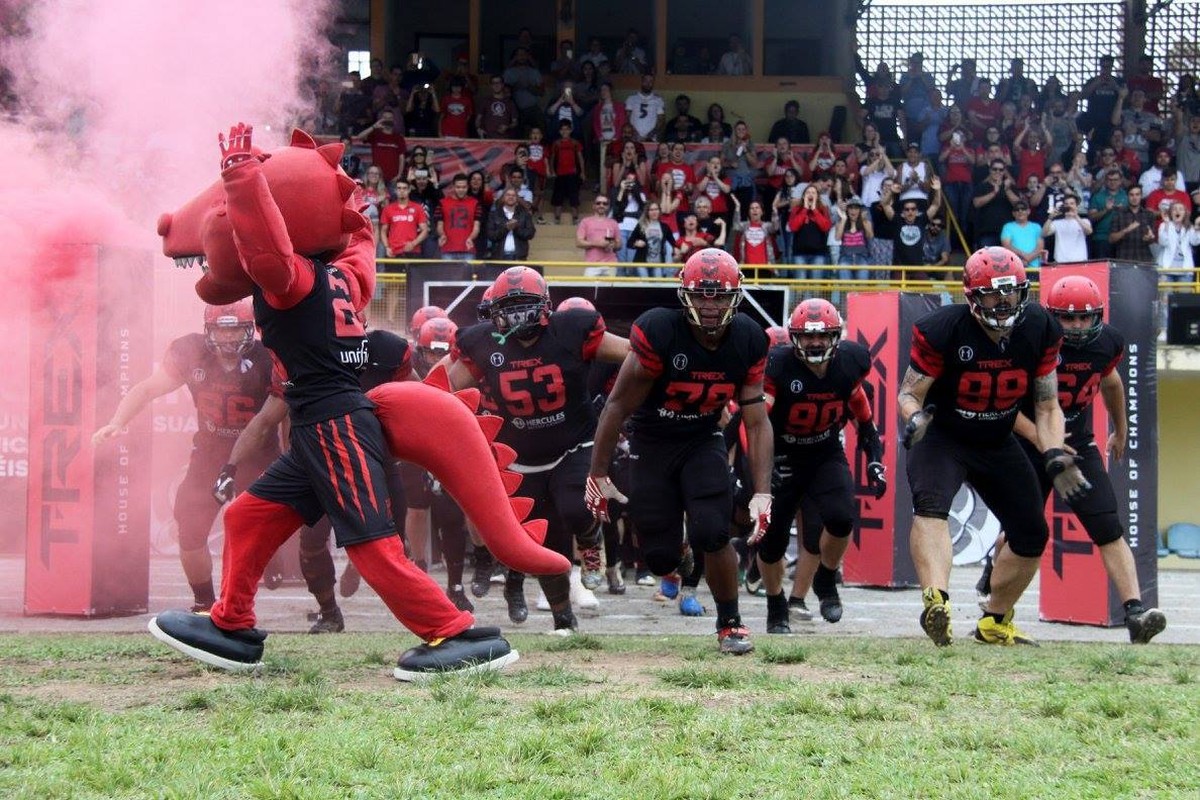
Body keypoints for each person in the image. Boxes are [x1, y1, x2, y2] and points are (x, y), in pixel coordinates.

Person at [149, 123, 521, 680]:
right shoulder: (341, 276)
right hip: (316, 422)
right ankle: (232, 624)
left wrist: (244, 177)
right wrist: (348, 206)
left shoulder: (294, 279)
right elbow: (361, 244)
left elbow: (269, 250)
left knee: (371, 545)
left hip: (333, 423)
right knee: (250, 516)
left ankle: (457, 634)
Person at [897, 246, 1089, 647]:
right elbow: (908, 394)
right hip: (944, 436)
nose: (1003, 302)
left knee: (1032, 533)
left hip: (997, 437)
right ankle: (937, 601)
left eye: (1011, 292)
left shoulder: (1039, 326)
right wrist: (914, 418)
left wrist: (1052, 452)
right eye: (992, 293)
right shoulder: (943, 328)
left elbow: (1047, 403)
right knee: (931, 507)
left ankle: (995, 622)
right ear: (971, 295)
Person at [586, 249, 773, 654]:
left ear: (735, 296)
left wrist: (763, 490)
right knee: (657, 558)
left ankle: (730, 623)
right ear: (684, 293)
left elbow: (756, 420)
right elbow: (617, 405)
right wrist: (597, 473)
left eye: (719, 295)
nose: (710, 305)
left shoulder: (748, 338)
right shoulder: (659, 331)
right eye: (702, 295)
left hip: (702, 438)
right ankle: (679, 553)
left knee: (714, 530)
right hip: (652, 442)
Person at [976, 276, 1167, 644]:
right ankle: (995, 598)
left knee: (1108, 525)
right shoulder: (1029, 337)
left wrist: (1120, 429)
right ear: (1051, 316)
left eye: (1085, 318)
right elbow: (1003, 401)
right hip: (1028, 443)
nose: (1078, 327)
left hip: (1078, 442)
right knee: (1021, 530)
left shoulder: (1108, 341)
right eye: (1068, 319)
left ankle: (1135, 614)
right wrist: (1044, 440)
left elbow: (1110, 382)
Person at [449, 267, 630, 633]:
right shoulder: (483, 343)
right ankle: (563, 616)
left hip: (574, 441)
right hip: (522, 456)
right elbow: (442, 389)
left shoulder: (569, 330)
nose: (517, 316)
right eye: (509, 306)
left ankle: (591, 541)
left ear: (546, 307)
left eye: (525, 305)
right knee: (544, 543)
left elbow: (634, 355)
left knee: (575, 505)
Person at [92, 301, 279, 613]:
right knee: (189, 527)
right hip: (209, 455)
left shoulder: (268, 358)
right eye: (223, 329)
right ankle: (204, 603)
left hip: (257, 455)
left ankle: (244, 595)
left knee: (254, 532)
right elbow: (147, 389)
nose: (230, 338)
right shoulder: (191, 353)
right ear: (209, 331)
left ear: (251, 330)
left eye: (236, 329)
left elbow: (276, 417)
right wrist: (117, 421)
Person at [757, 299, 886, 632]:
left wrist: (874, 460)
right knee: (772, 543)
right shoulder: (778, 366)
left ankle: (825, 579)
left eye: (823, 336)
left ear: (835, 336)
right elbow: (756, 425)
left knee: (842, 518)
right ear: (794, 338)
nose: (816, 343)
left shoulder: (849, 364)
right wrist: (761, 468)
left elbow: (864, 418)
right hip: (783, 454)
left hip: (824, 451)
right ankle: (775, 606)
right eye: (808, 336)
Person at [435, 173, 483, 267]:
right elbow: (439, 225)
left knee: (467, 280)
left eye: (464, 187)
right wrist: (442, 235)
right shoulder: (442, 203)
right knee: (448, 280)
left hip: (468, 249)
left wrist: (471, 238)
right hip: (447, 249)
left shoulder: (475, 203)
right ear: (453, 187)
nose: (461, 190)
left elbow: (476, 227)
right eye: (458, 187)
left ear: (468, 187)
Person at [1107, 184, 1159, 262]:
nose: (1134, 198)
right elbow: (1111, 239)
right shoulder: (1119, 214)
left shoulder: (1149, 215)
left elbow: (1153, 240)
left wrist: (1150, 238)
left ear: (1141, 196)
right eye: (1131, 195)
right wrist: (1126, 230)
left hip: (1144, 258)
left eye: (1137, 194)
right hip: (1124, 258)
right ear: (1127, 196)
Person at [485, 187, 536, 265]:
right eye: (508, 195)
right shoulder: (494, 214)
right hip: (499, 257)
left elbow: (530, 234)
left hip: (519, 257)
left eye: (513, 195)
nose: (511, 197)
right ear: (503, 198)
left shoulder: (525, 214)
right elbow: (491, 235)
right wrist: (506, 228)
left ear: (517, 198)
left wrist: (516, 228)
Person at [353, 110, 406, 182]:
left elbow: (401, 158)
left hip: (393, 178)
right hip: (377, 178)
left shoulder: (398, 138)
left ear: (393, 120)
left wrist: (399, 175)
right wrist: (374, 127)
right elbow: (360, 137)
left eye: (390, 118)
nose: (387, 120)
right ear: (381, 119)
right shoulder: (376, 134)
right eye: (385, 117)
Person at [549, 119, 586, 224]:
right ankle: (556, 218)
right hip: (560, 174)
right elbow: (552, 158)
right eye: (562, 130)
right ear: (559, 131)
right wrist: (552, 171)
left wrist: (583, 172)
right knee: (558, 196)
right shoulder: (556, 143)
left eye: (567, 129)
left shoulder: (575, 143)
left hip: (572, 174)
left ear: (571, 130)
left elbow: (580, 158)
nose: (565, 131)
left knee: (574, 195)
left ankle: (575, 218)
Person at [576, 194, 621, 275]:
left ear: (608, 206)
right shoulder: (585, 222)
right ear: (593, 206)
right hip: (592, 264)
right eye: (598, 203)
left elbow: (619, 244)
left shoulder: (613, 223)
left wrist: (612, 245)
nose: (601, 205)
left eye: (605, 203)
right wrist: (598, 243)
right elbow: (579, 242)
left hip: (610, 264)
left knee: (610, 288)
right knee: (589, 288)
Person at [1041, 194, 1092, 263]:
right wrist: (1050, 218)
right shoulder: (1057, 223)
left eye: (1072, 204)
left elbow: (1089, 231)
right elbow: (1044, 234)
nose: (1069, 206)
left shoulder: (1084, 221)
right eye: (1066, 204)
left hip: (1080, 260)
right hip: (1061, 261)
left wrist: (1076, 216)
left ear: (1076, 206)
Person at [1000, 201, 1045, 269]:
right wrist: (1022, 259)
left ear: (1028, 211)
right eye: (1017, 210)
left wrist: (1028, 259)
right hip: (1015, 266)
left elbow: (1040, 247)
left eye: (1023, 209)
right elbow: (1007, 246)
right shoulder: (1007, 227)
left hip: (1035, 266)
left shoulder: (1037, 226)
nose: (1020, 211)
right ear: (1013, 213)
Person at [625, 72, 665, 142]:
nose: (648, 83)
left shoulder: (658, 100)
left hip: (651, 138)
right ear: (642, 82)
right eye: (645, 81)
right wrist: (634, 133)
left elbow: (661, 120)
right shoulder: (631, 98)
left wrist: (650, 135)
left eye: (650, 81)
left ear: (653, 83)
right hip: (634, 137)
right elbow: (627, 117)